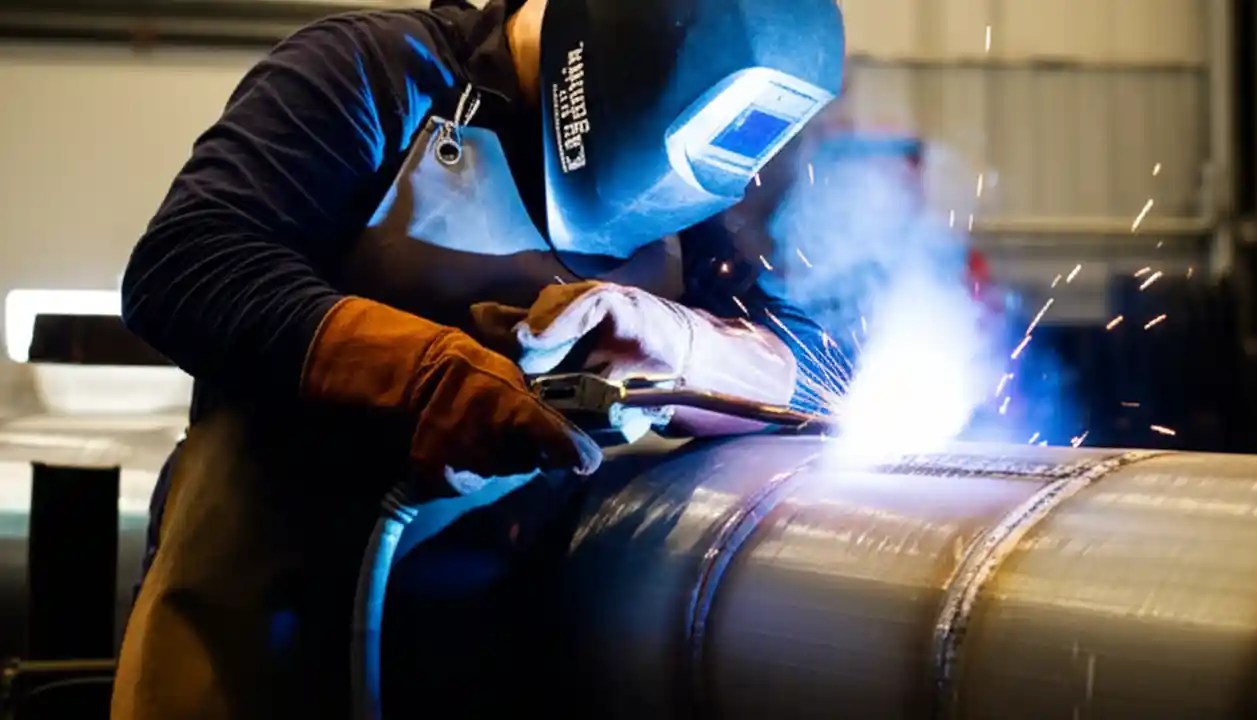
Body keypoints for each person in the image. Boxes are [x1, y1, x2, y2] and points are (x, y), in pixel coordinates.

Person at [111, 0, 845, 717]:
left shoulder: (719, 184)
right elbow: (186, 264)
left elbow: (822, 369)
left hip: (516, 654)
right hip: (265, 636)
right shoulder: (378, 72)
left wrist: (687, 347)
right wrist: (420, 373)